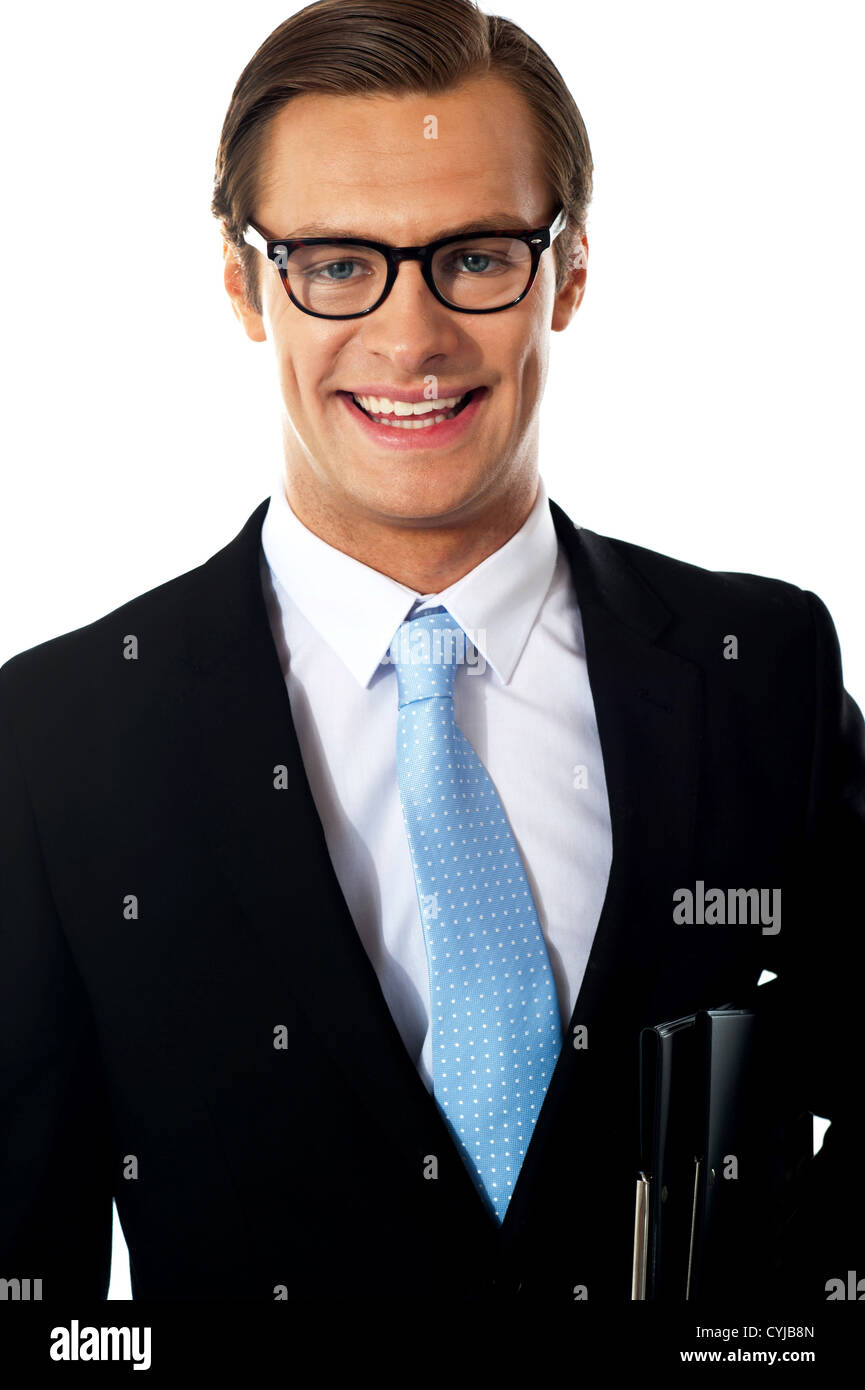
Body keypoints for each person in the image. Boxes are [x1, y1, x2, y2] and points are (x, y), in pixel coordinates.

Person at [1, 0, 862, 1305]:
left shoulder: (763, 674)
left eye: (472, 256)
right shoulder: (60, 733)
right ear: (244, 284)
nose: (410, 340)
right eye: (338, 263)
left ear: (567, 273)